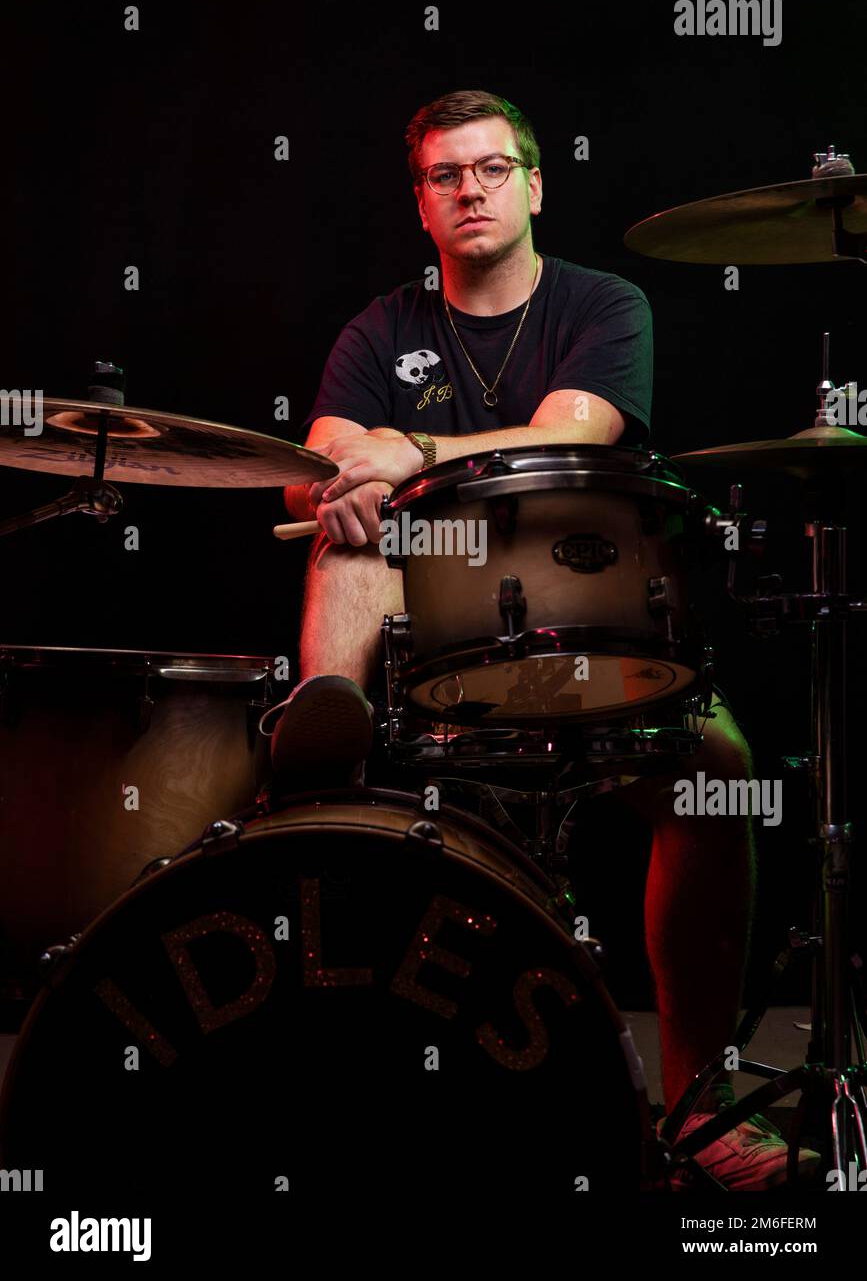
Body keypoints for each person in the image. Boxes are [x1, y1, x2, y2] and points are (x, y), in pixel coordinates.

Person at [275, 89, 818, 1189]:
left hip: (588, 626)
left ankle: (702, 1117)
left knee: (719, 771)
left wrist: (406, 447)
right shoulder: (381, 327)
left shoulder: (601, 304)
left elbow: (581, 430)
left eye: (488, 169)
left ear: (534, 183)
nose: (467, 190)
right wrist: (355, 474)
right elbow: (324, 456)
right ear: (419, 203)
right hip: (427, 645)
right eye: (443, 176)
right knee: (348, 530)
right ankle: (321, 745)